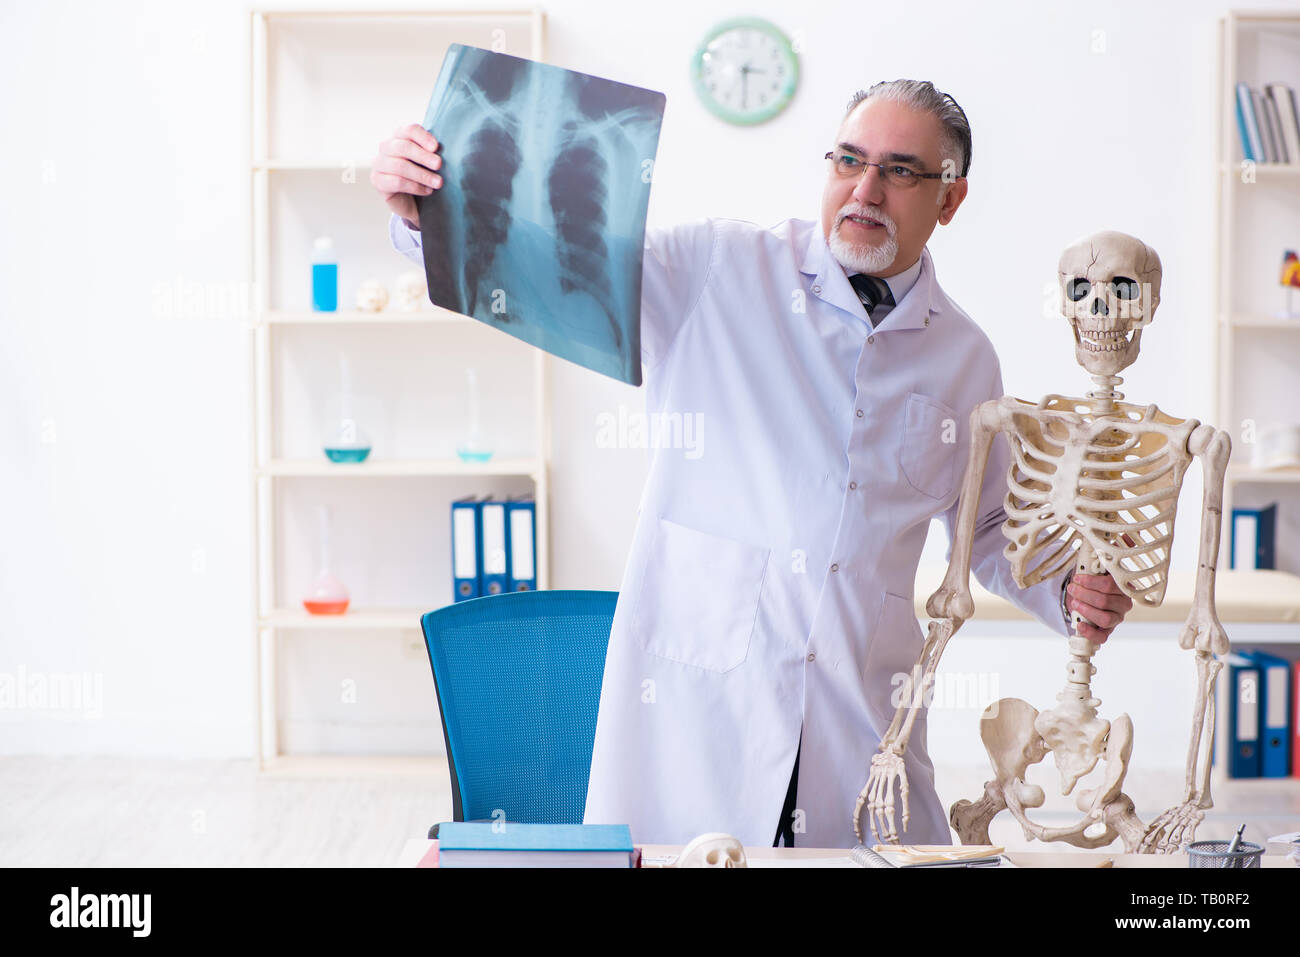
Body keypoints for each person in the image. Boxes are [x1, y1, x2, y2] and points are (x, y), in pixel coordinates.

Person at [372, 78, 1135, 850]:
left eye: (901, 171)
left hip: (860, 717)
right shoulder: (716, 267)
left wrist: (1069, 594)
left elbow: (992, 527)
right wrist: (424, 218)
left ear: (950, 199)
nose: (865, 189)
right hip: (698, 706)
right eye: (849, 159)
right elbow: (552, 278)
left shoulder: (963, 355)